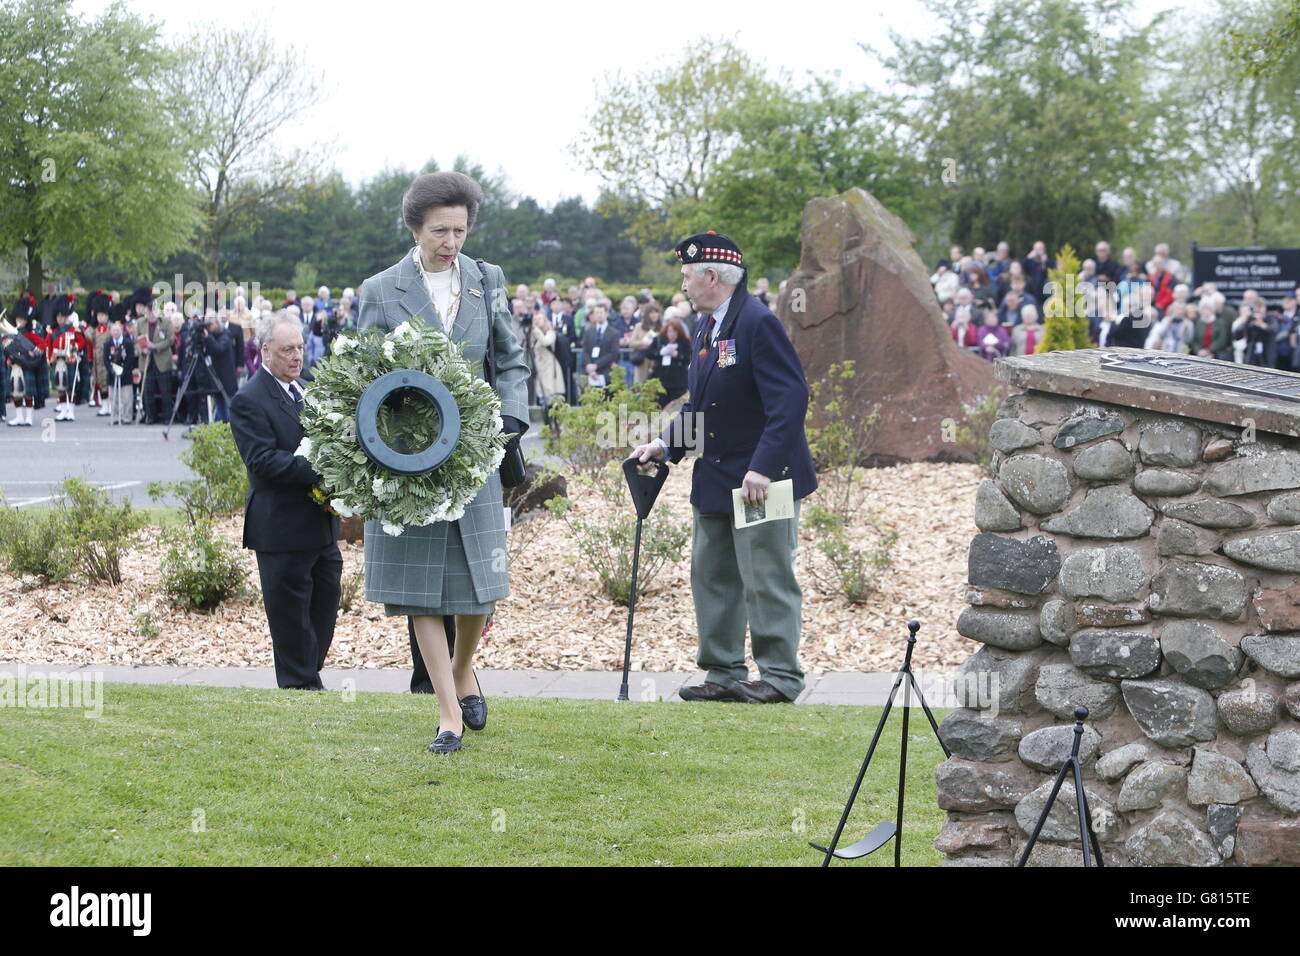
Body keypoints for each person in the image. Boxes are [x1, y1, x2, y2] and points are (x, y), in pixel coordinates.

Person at [357, 170, 530, 755]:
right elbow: (362, 376)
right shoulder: (380, 290)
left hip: (477, 453)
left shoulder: (488, 280)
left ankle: (462, 670)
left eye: (459, 229)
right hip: (408, 459)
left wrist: (510, 417)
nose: (450, 241)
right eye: (439, 231)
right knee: (417, 588)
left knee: (475, 587)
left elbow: (510, 360)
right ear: (414, 227)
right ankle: (448, 712)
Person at [632, 231, 817, 705]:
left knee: (765, 576)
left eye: (688, 276)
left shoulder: (757, 322)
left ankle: (779, 677)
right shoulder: (708, 326)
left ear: (711, 277)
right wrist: (663, 445)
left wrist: (764, 468)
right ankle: (723, 670)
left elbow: (791, 398)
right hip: (716, 476)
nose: (683, 285)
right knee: (712, 574)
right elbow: (703, 405)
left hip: (760, 480)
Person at [229, 313, 342, 690]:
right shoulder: (248, 399)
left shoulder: (308, 388)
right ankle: (299, 685)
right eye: (287, 350)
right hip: (281, 528)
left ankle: (307, 673)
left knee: (325, 606)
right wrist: (319, 466)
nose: (297, 357)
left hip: (321, 524)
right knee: (290, 615)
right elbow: (262, 461)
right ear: (265, 352)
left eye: (299, 348)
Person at [132, 287, 175, 424]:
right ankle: (150, 416)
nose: (151, 315)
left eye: (153, 312)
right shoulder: (140, 323)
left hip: (162, 361)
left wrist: (155, 347)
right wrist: (142, 350)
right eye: (149, 312)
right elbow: (135, 342)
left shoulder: (166, 322)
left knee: (165, 391)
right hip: (146, 361)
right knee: (147, 391)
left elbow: (170, 340)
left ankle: (167, 417)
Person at [647, 314, 691, 406]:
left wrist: (677, 355)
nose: (672, 334)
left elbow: (689, 357)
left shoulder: (684, 342)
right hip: (660, 379)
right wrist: (660, 352)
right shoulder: (659, 340)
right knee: (659, 405)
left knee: (677, 406)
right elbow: (648, 353)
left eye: (675, 332)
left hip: (678, 381)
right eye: (670, 331)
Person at [103, 320, 136, 425]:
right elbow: (105, 359)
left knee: (127, 397)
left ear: (121, 331)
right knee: (113, 397)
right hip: (112, 374)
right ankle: (115, 417)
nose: (116, 332)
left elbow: (131, 358)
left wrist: (124, 370)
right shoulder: (108, 344)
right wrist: (112, 370)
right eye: (114, 330)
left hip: (125, 373)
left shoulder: (128, 343)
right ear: (111, 332)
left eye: (118, 330)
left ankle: (127, 417)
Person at [580, 303, 620, 388]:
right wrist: (589, 366)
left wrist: (596, 365)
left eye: (601, 312)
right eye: (597, 313)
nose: (599, 315)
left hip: (606, 370)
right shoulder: (588, 332)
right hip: (590, 371)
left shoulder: (614, 333)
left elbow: (613, 353)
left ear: (606, 314)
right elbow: (585, 351)